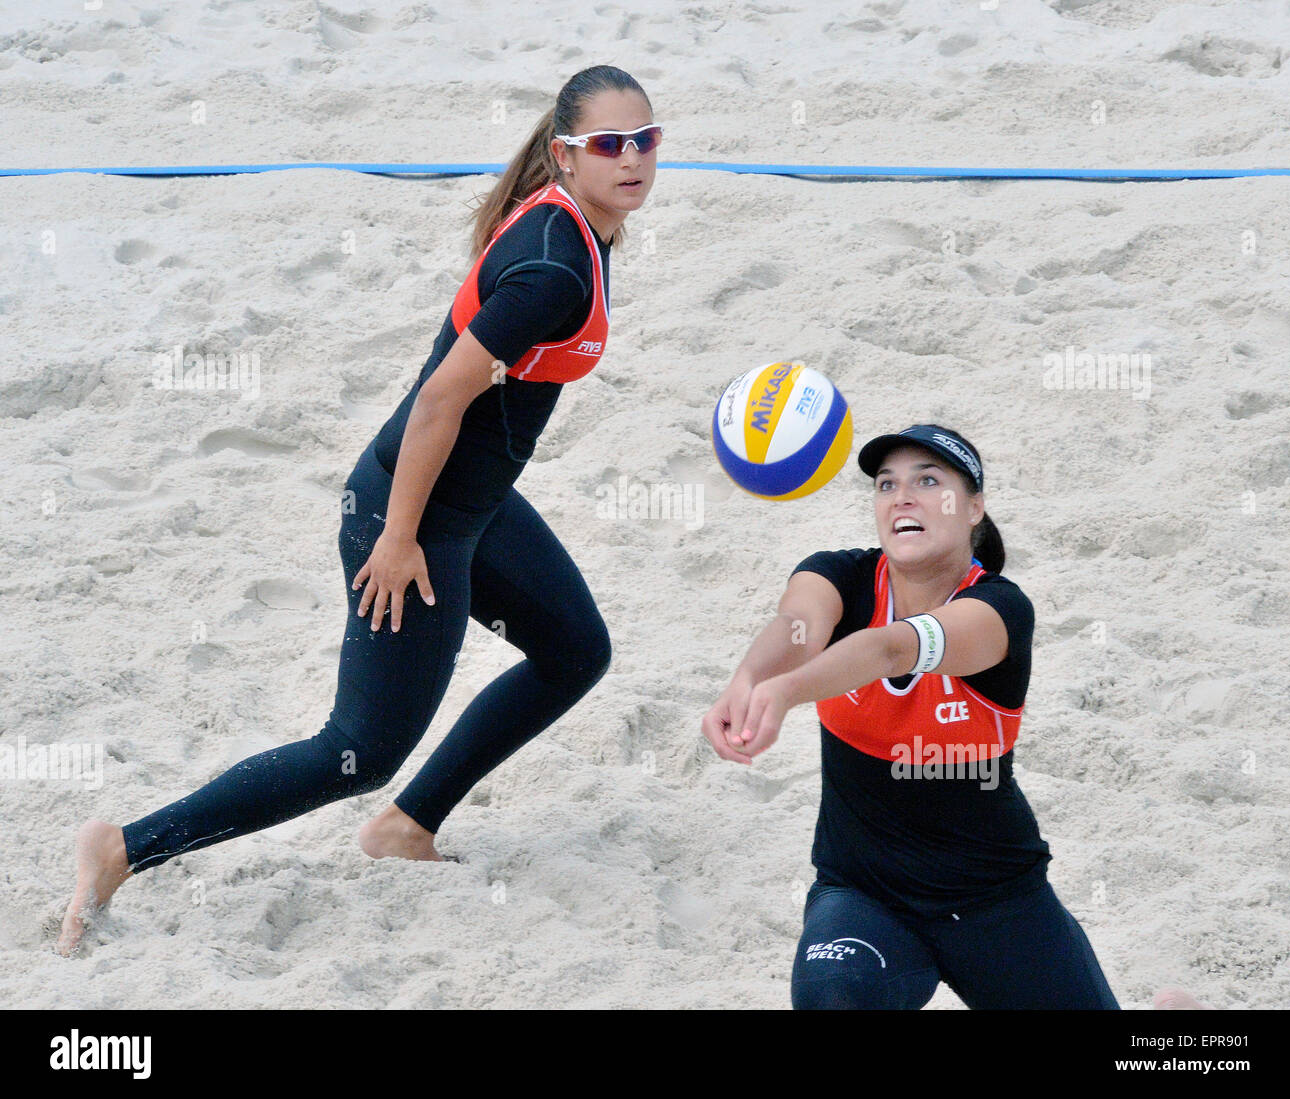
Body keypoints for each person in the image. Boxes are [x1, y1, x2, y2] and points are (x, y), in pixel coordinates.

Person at [57, 64, 662, 956]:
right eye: (610, 144)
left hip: (471, 504)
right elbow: (438, 403)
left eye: (647, 140)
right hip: (413, 517)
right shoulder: (555, 267)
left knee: (576, 649)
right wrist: (400, 536)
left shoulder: (582, 224)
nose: (634, 158)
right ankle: (123, 847)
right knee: (358, 748)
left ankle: (407, 826)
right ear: (565, 156)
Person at [702, 424, 1121, 1009]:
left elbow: (891, 649)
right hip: (864, 898)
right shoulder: (839, 574)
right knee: (835, 1000)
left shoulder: (998, 609)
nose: (903, 496)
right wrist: (748, 679)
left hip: (996, 900)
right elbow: (797, 627)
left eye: (929, 480)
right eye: (886, 483)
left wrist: (786, 691)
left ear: (974, 506)